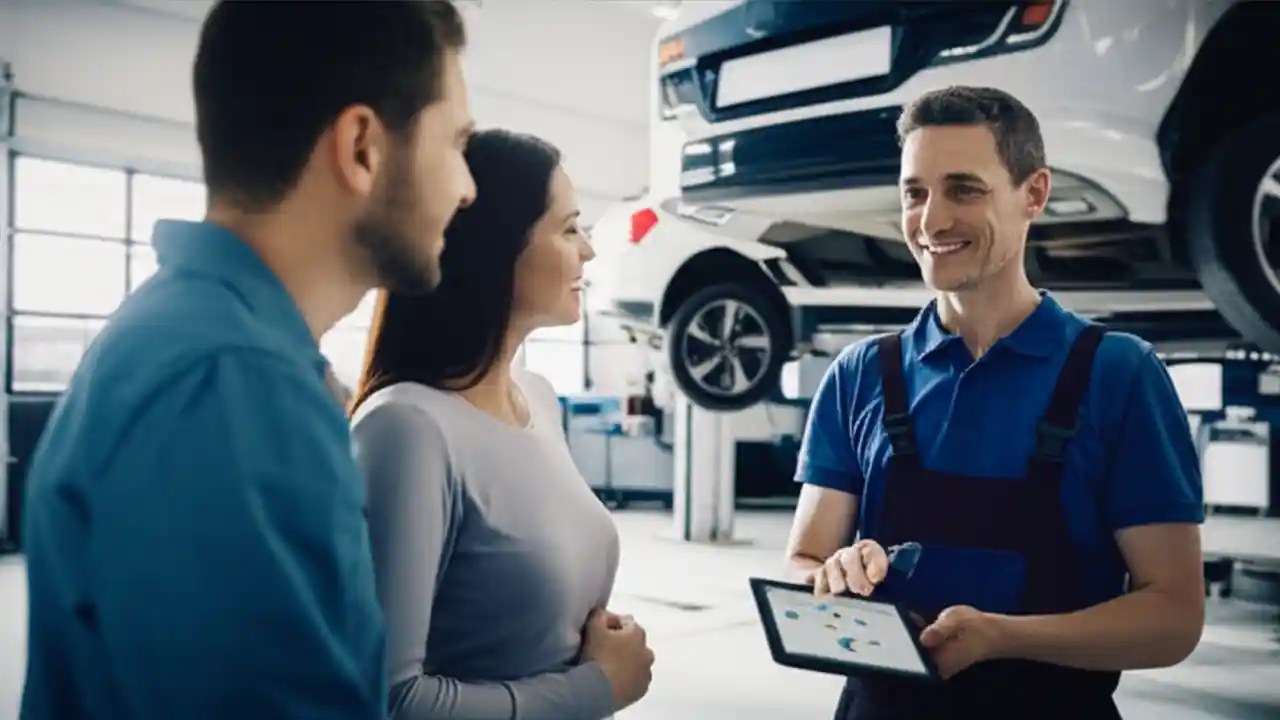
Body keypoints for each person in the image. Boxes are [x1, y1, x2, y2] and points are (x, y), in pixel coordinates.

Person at [20, 3, 476, 718]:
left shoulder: (200, 341)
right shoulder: (230, 383)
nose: (467, 187)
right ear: (362, 147)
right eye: (456, 143)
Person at [783, 86, 1205, 719]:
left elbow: (1173, 615)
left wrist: (1005, 637)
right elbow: (803, 562)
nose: (930, 221)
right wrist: (833, 575)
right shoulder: (861, 375)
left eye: (964, 190)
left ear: (1033, 193)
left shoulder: (1118, 375)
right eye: (914, 193)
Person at [348, 128, 655, 720]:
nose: (588, 251)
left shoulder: (538, 399)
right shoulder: (406, 430)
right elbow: (388, 699)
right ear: (496, 248)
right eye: (568, 229)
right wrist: (597, 687)